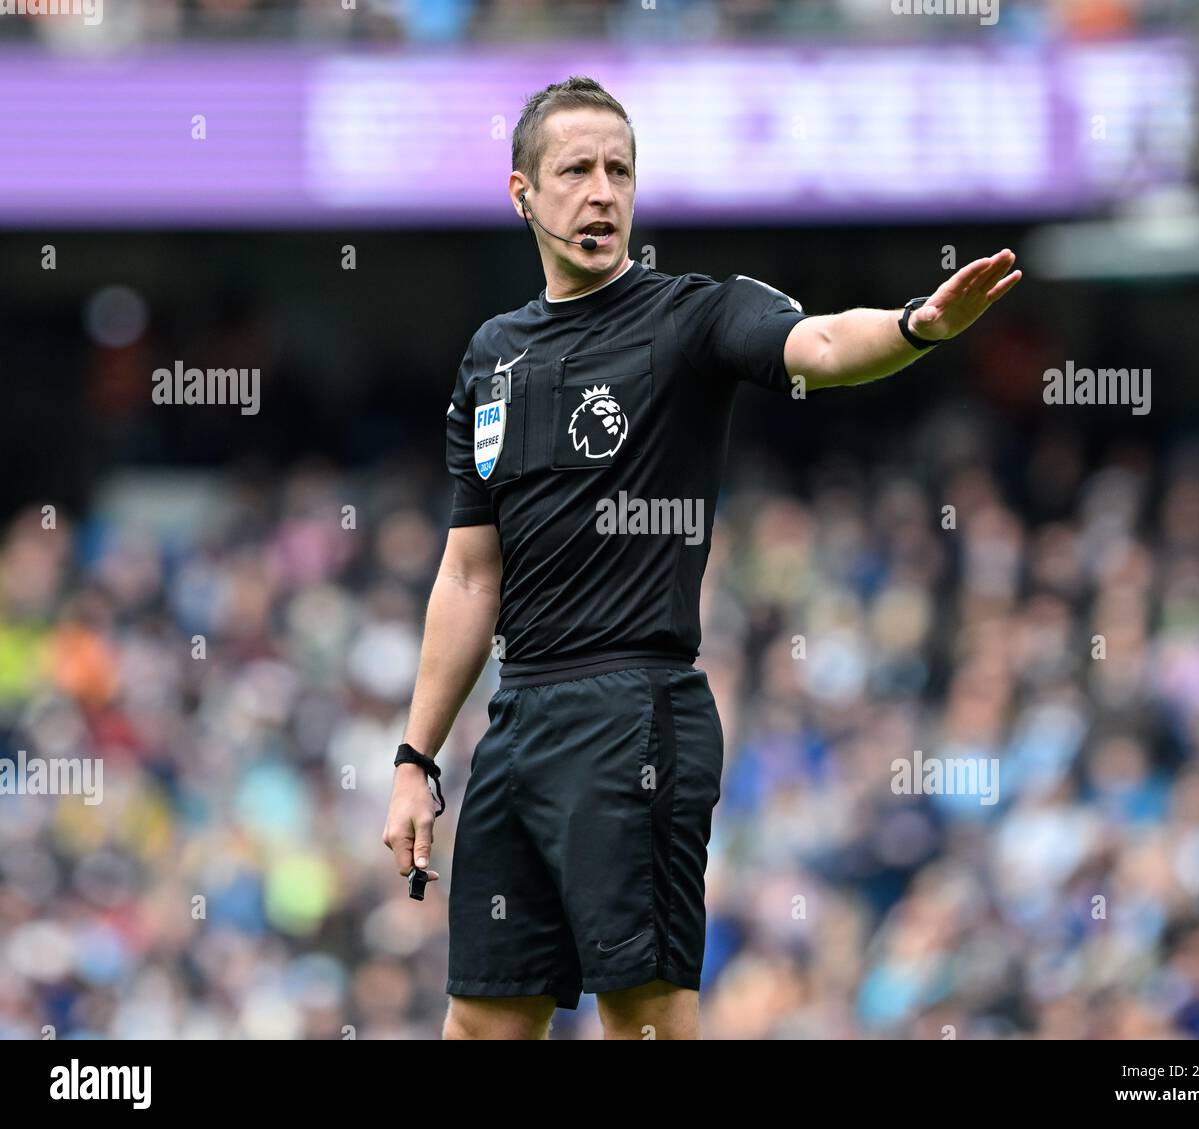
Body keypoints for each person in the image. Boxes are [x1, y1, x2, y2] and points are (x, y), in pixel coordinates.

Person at [382, 75, 1021, 1040]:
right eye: (576, 171)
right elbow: (471, 572)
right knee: (480, 1021)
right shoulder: (492, 356)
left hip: (635, 713)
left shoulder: (691, 315)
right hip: (517, 725)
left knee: (643, 1019)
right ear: (523, 193)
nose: (602, 192)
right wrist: (414, 756)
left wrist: (914, 328)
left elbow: (819, 345)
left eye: (619, 171)